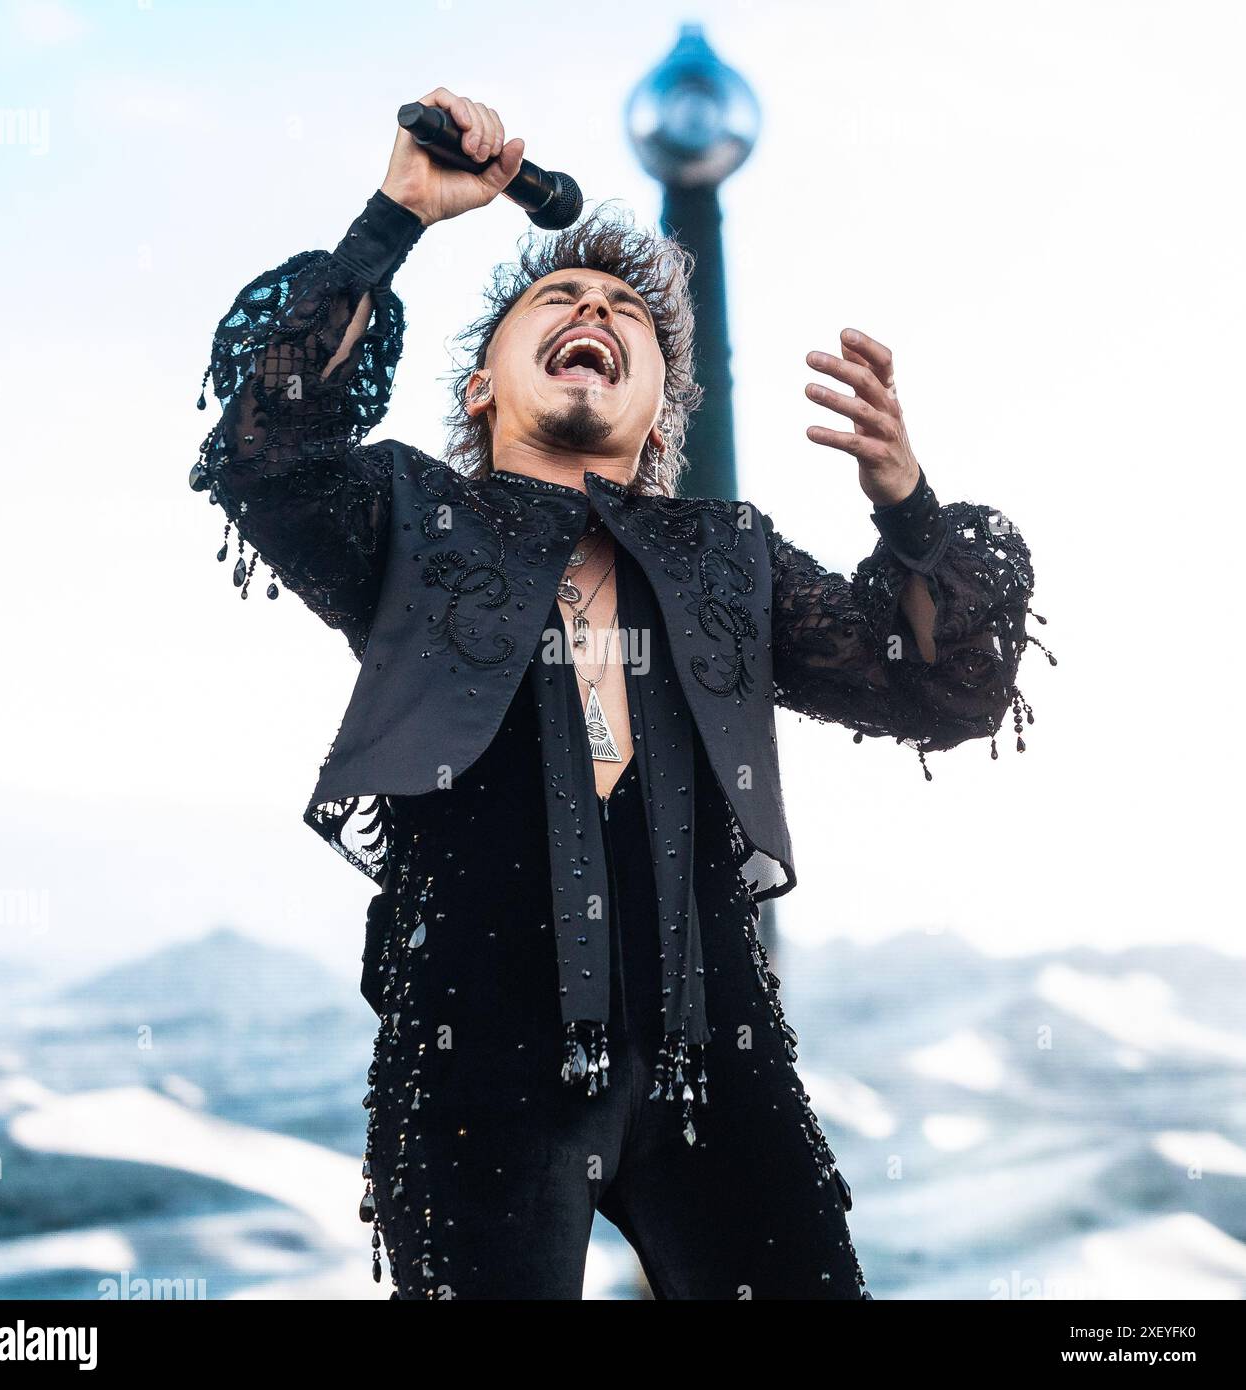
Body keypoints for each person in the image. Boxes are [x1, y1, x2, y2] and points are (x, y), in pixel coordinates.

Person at [190, 88, 1049, 1300]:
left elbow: (936, 691)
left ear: (657, 418)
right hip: (471, 1056)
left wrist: (905, 500)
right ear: (482, 389)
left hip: (722, 1060)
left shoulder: (732, 557)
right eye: (558, 300)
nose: (594, 309)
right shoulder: (406, 519)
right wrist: (400, 214)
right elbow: (268, 446)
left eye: (624, 315)